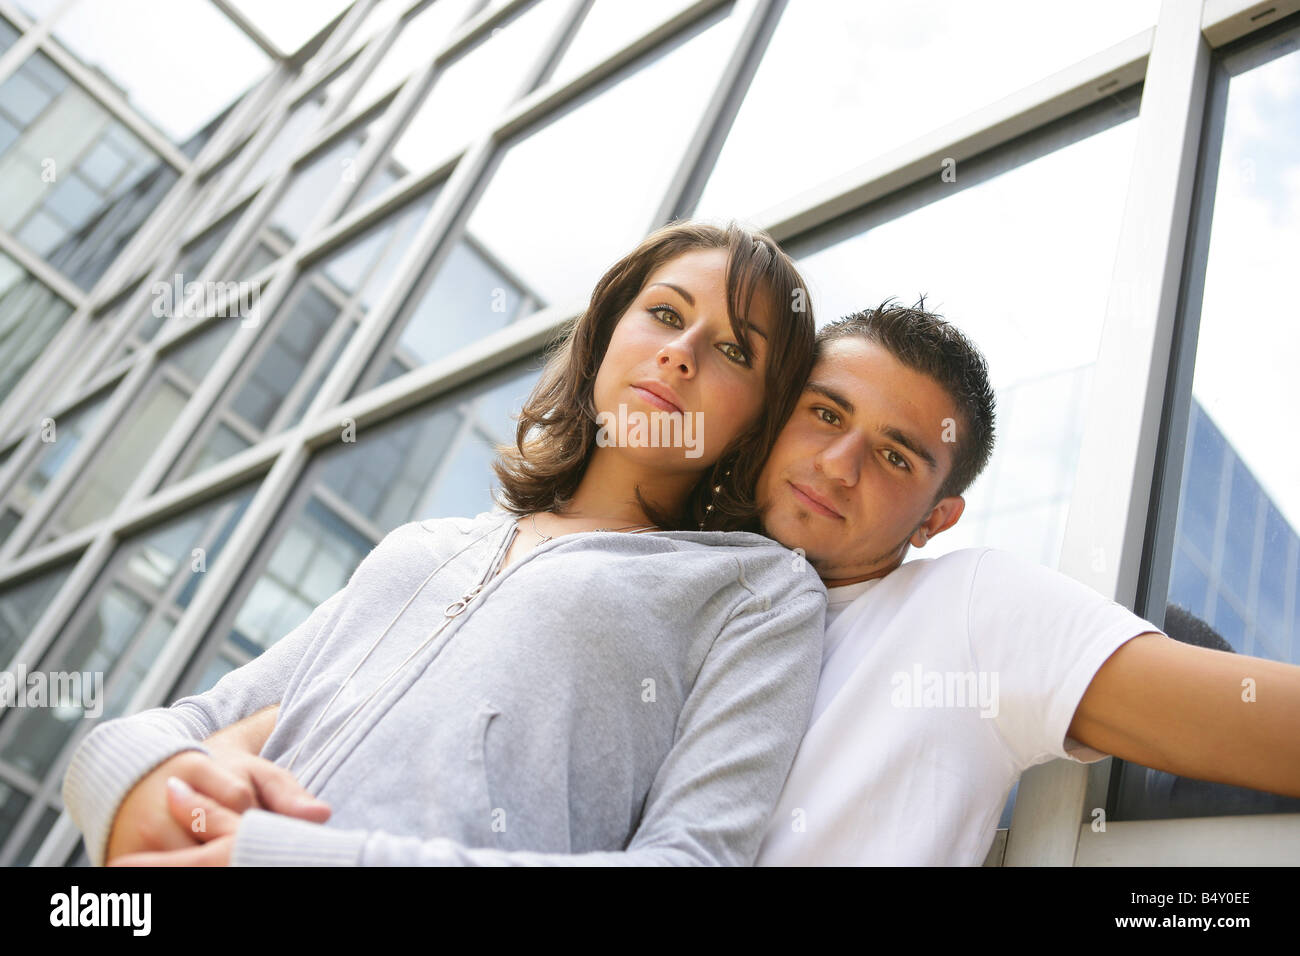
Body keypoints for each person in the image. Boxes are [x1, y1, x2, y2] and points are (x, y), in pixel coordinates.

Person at [61, 219, 827, 867]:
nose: (682, 351)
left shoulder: (757, 591)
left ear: (758, 420)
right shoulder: (432, 543)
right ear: (606, 334)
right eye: (664, 313)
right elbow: (199, 719)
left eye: (735, 351)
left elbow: (686, 861)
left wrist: (293, 857)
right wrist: (129, 780)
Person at [750, 299, 1300, 865]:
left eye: (895, 456)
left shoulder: (966, 608)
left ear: (935, 520)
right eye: (827, 415)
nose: (840, 465)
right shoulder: (697, 583)